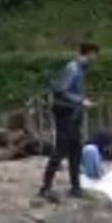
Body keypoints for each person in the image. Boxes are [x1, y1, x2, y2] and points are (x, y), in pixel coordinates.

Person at [39, 42, 99, 200]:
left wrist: (81, 101)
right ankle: (45, 187)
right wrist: (81, 101)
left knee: (76, 150)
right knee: (61, 149)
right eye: (94, 55)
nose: (95, 59)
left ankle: (75, 187)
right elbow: (61, 90)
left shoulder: (80, 69)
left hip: (73, 114)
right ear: (89, 53)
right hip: (65, 114)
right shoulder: (73, 68)